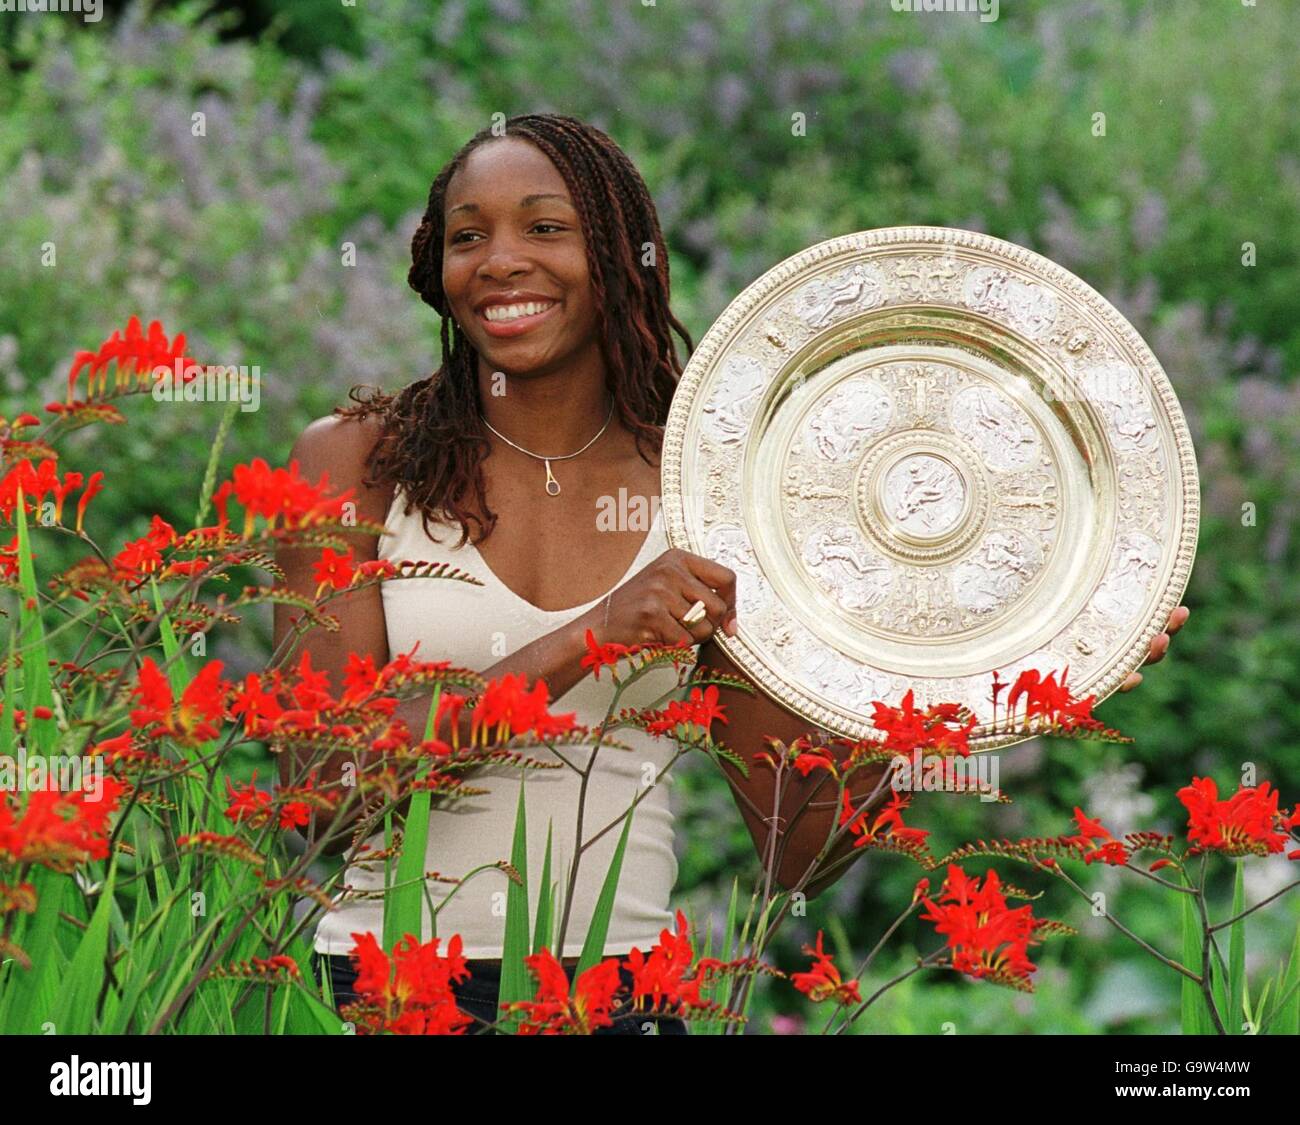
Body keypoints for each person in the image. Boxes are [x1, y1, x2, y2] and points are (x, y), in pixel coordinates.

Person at [273, 113, 1188, 1036]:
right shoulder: (354, 466)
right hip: (382, 993)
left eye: (546, 228)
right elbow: (320, 787)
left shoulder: (712, 489)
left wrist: (975, 682)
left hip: (622, 999)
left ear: (624, 258)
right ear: (439, 267)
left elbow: (802, 846)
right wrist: (591, 639)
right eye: (469, 235)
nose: (502, 259)